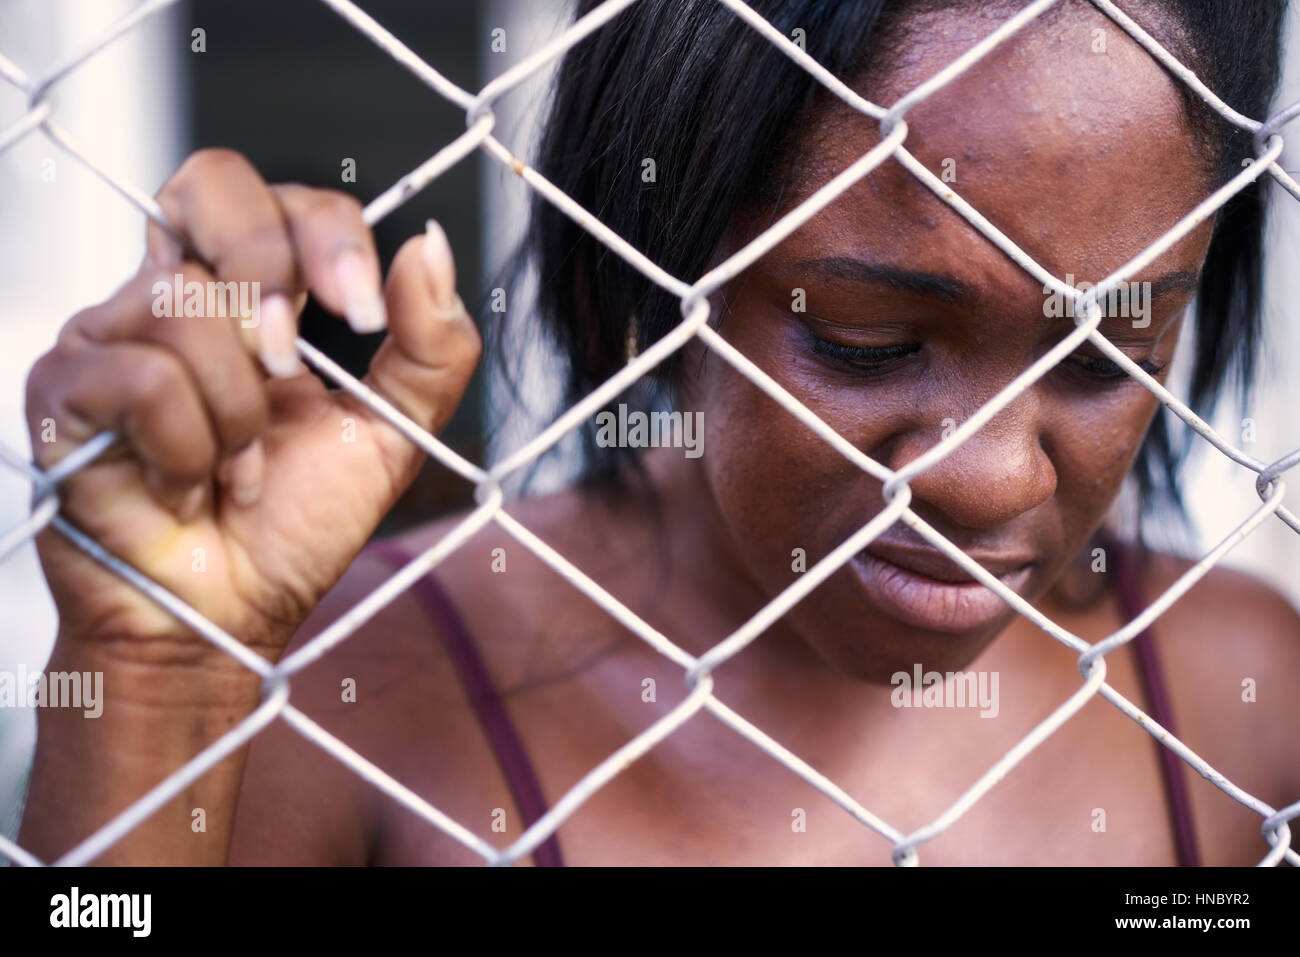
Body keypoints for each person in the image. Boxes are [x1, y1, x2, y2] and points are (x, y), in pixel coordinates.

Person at [17, 0, 1300, 866]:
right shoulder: (355, 700)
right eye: (864, 342)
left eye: (1109, 359)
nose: (988, 475)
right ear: (650, 275)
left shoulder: (1229, 702)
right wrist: (154, 684)